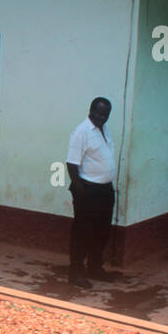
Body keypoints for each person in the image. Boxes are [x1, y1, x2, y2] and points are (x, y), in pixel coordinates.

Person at [65, 97, 117, 288]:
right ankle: (76, 273)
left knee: (102, 231)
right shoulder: (81, 132)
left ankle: (95, 267)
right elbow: (71, 164)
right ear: (91, 110)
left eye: (105, 114)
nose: (101, 117)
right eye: (98, 113)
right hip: (87, 190)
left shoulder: (105, 130)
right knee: (83, 232)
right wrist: (81, 193)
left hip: (105, 190)